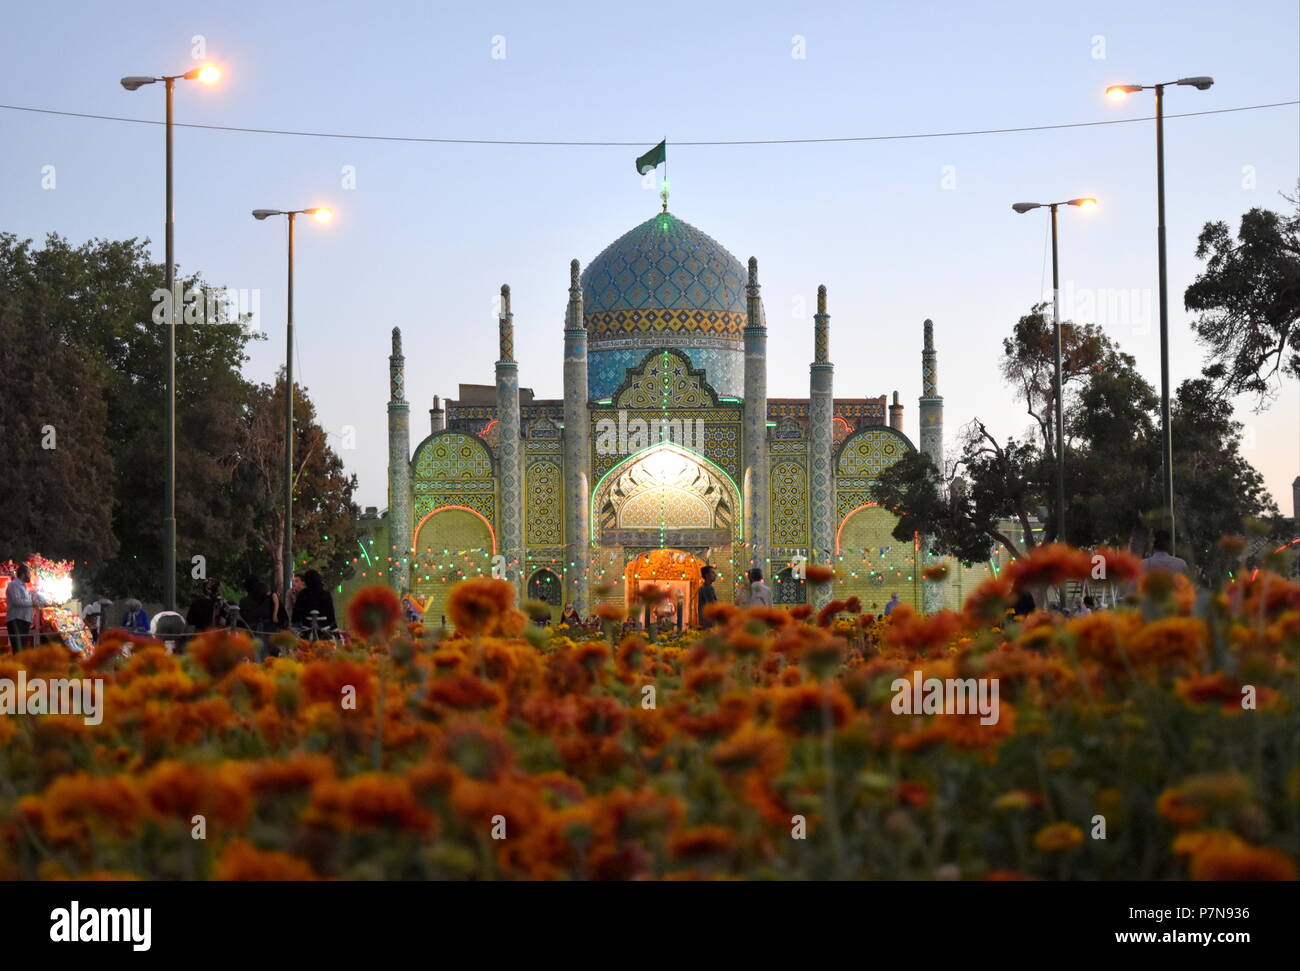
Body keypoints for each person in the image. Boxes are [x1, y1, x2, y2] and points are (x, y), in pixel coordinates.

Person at [5, 564, 43, 651]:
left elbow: (25, 601)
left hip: (23, 621)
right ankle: (17, 664)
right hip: (16, 620)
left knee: (21, 648)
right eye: (29, 573)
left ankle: (20, 664)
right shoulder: (14, 585)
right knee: (19, 649)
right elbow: (17, 601)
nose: (30, 576)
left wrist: (33, 596)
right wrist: (32, 603)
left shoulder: (22, 586)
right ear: (23, 574)